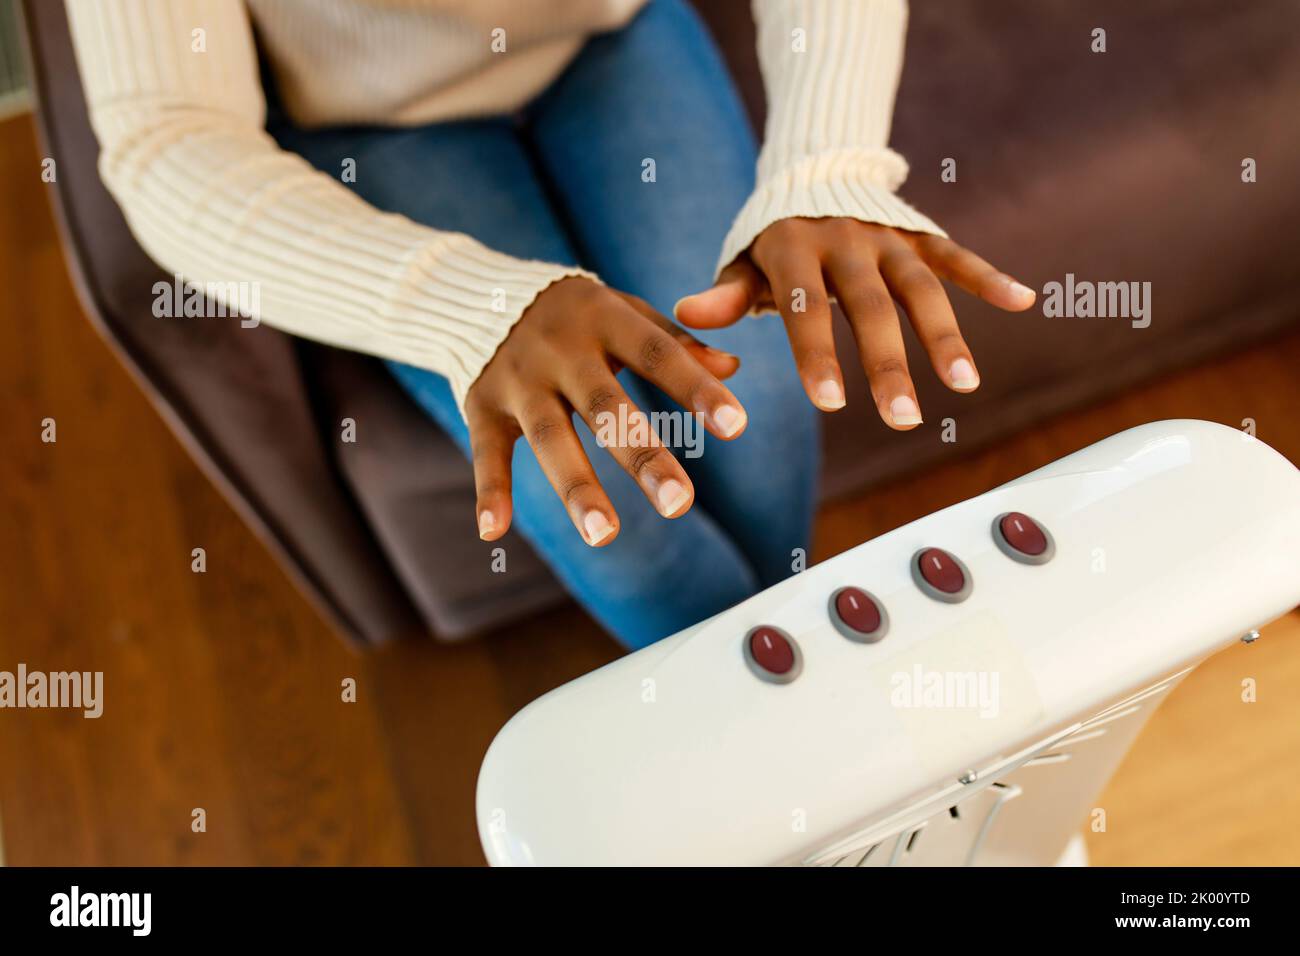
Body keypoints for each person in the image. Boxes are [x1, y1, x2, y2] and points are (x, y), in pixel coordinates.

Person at [65, 0, 1035, 648]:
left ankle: (778, 674)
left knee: (761, 403)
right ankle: (771, 715)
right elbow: (166, 138)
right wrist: (470, 308)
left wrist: (827, 160)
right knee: (617, 526)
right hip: (371, 116)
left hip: (608, 36)